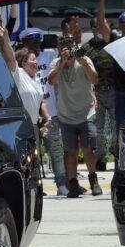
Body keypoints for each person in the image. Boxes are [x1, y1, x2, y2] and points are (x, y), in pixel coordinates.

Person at [48, 35, 102, 198]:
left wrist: (84, 63)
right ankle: (72, 183)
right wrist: (62, 62)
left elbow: (95, 79)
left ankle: (93, 180)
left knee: (87, 149)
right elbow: (51, 81)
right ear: (58, 49)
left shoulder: (84, 59)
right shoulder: (56, 63)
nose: (67, 50)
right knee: (70, 152)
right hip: (66, 115)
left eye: (69, 46)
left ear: (75, 47)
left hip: (86, 113)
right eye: (63, 47)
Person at [20, 27, 68, 195]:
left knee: (55, 150)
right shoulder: (22, 64)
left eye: (38, 39)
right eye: (31, 39)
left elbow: (65, 54)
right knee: (34, 154)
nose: (36, 42)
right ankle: (36, 185)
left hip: (50, 113)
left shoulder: (49, 56)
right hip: (31, 116)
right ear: (24, 42)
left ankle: (62, 184)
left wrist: (67, 35)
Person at [77, 0, 116, 171]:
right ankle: (100, 159)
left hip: (114, 91)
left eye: (105, 24)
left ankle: (116, 154)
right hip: (98, 93)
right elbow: (78, 67)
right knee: (99, 130)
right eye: (101, 25)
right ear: (93, 29)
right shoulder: (87, 48)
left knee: (117, 128)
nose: (105, 26)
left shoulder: (112, 41)